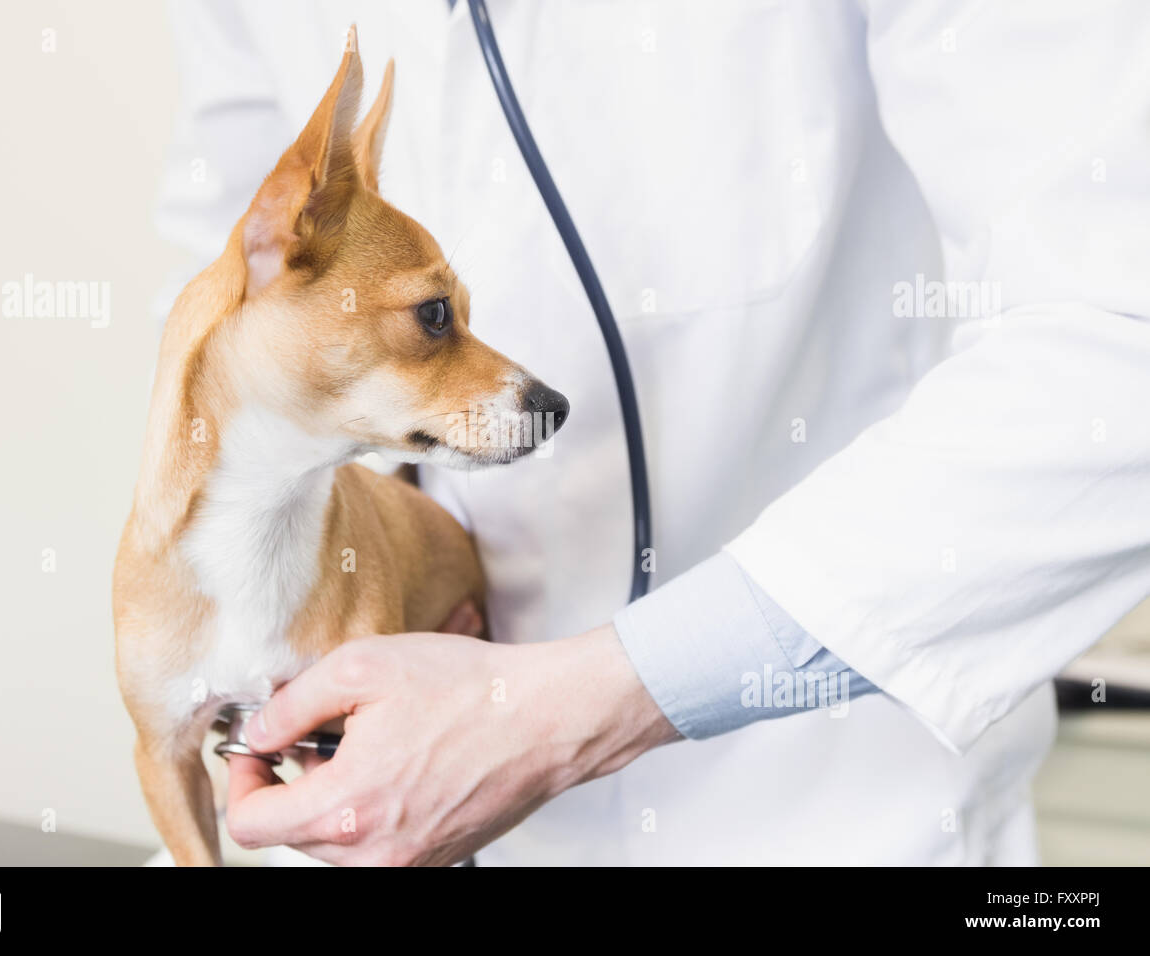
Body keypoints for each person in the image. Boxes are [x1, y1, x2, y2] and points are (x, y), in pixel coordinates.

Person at [154, 0, 1150, 865]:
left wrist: (559, 713)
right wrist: (389, 574)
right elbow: (229, 309)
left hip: (827, 815)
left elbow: (1118, 342)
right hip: (400, 817)